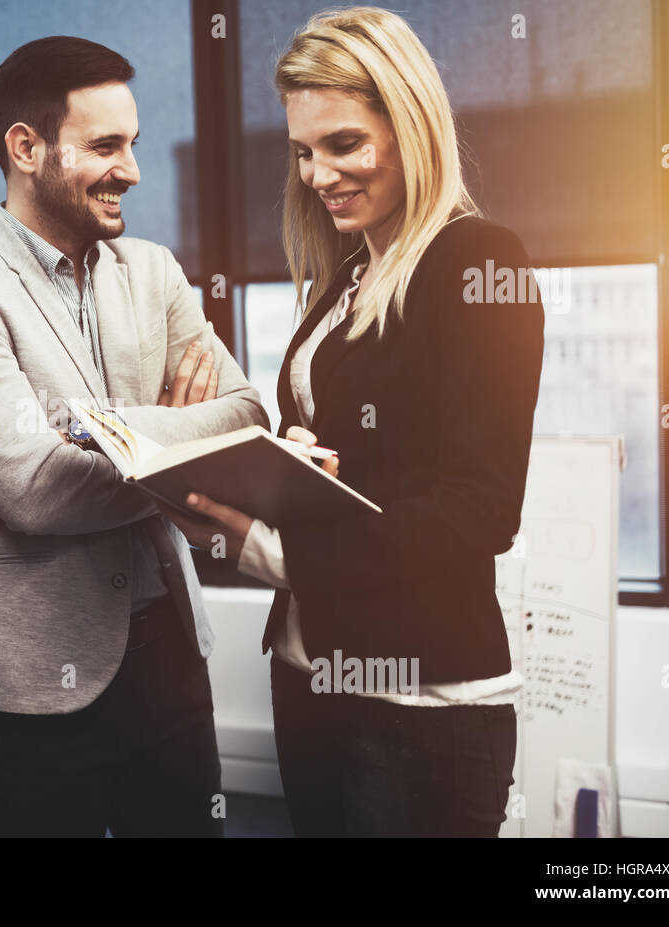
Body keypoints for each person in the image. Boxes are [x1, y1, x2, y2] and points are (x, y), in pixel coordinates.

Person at [158, 7, 544, 836]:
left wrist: (276, 548)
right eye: (303, 150)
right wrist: (285, 462)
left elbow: (481, 509)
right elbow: (371, 461)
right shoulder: (347, 275)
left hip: (419, 701)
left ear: (409, 128)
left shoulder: (478, 262)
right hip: (310, 673)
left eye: (343, 144)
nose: (317, 174)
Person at [0, 35, 269, 837]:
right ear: (26, 147)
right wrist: (176, 458)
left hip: (171, 649)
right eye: (106, 146)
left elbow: (246, 417)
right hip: (39, 679)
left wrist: (109, 432)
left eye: (132, 143)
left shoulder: (155, 272)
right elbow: (35, 490)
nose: (132, 170)